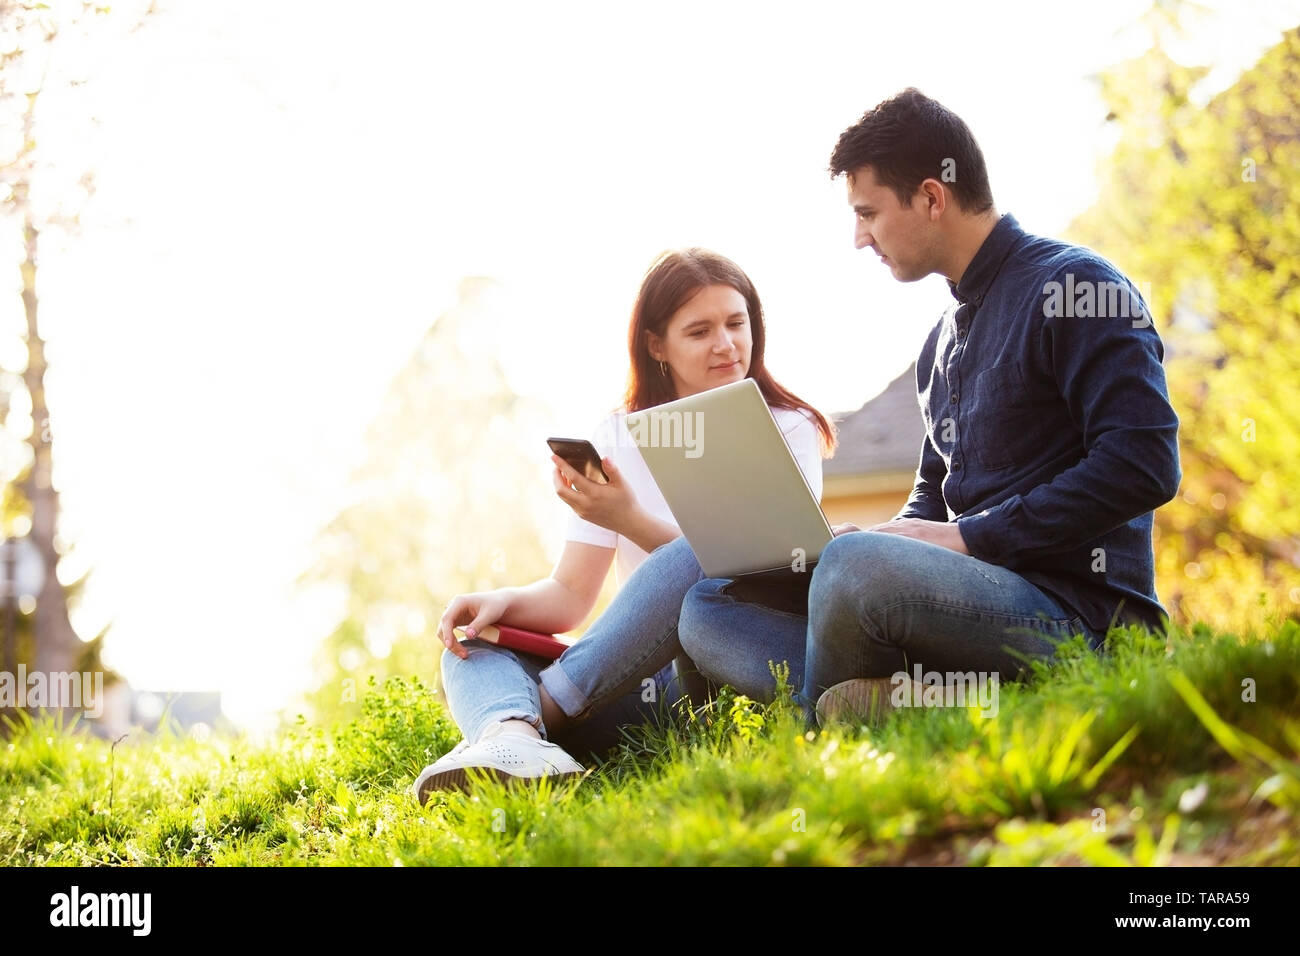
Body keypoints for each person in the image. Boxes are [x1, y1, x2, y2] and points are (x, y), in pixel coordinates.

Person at [676, 88, 1182, 722]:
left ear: (931, 197)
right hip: (963, 612)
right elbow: (933, 495)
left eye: (869, 213)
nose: (860, 237)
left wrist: (965, 538)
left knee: (858, 571)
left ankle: (829, 732)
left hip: (1081, 619)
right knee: (709, 601)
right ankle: (897, 701)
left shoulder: (1077, 288)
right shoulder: (939, 342)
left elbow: (1144, 464)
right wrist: (884, 536)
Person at [413, 248, 835, 801]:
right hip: (637, 682)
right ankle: (515, 739)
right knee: (473, 647)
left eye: (737, 323)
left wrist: (629, 520)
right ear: (657, 345)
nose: (727, 344)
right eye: (700, 331)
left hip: (727, 663)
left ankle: (538, 714)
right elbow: (569, 596)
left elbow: (763, 561)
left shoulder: (788, 426)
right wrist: (499, 601)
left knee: (694, 557)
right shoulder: (618, 436)